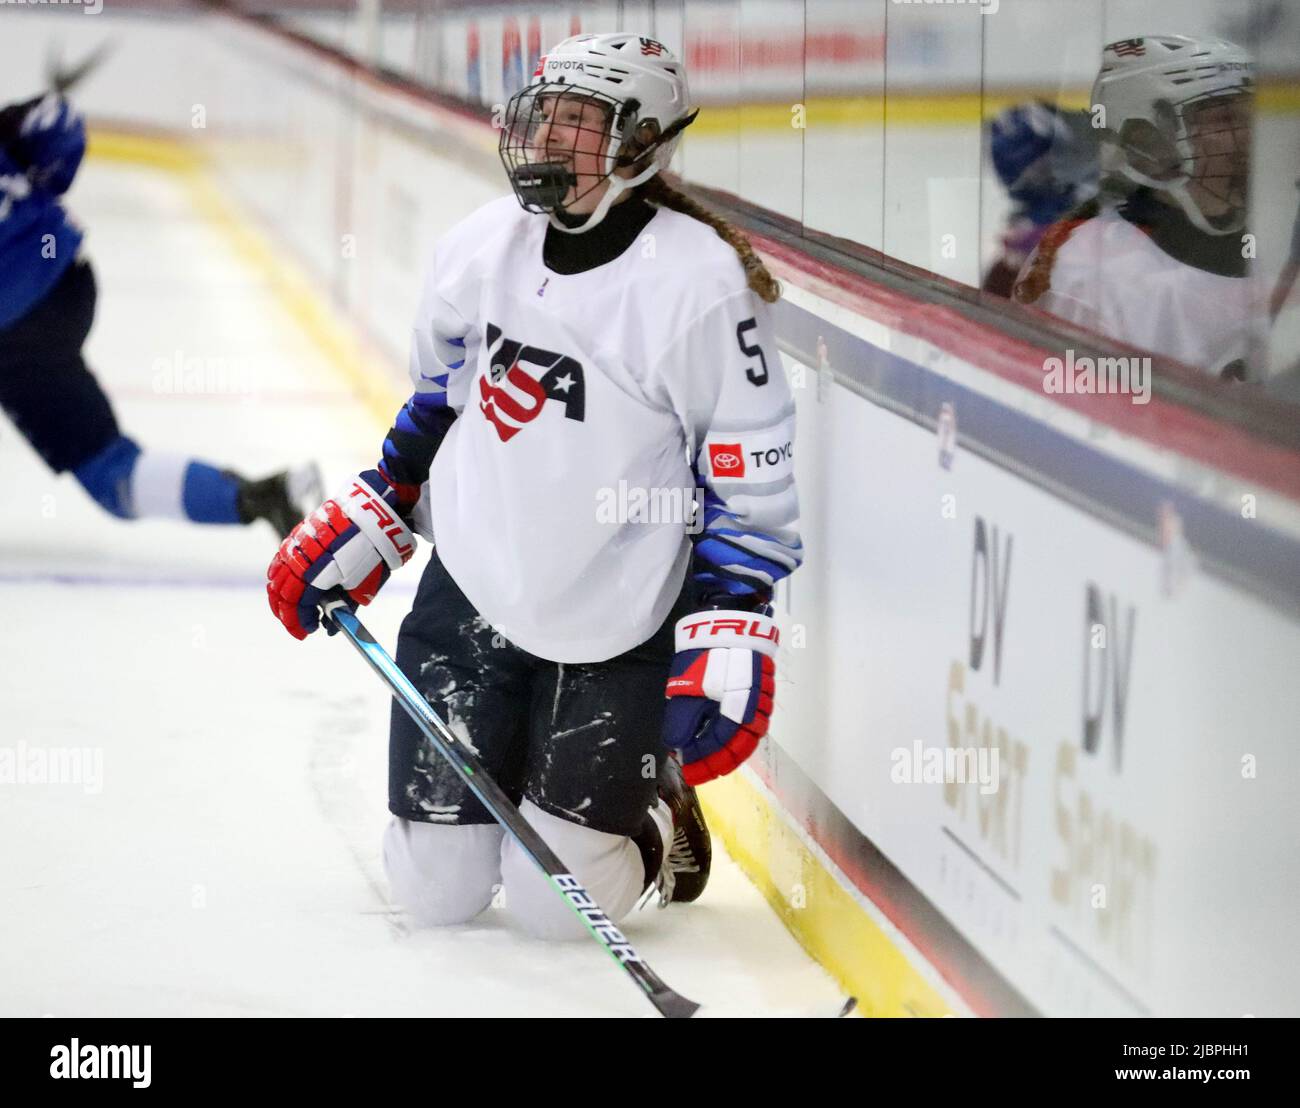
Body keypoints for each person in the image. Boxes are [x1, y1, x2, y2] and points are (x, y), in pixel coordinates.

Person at [266, 33, 803, 939]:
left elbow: (747, 474)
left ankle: (657, 811)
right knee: (437, 893)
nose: (551, 138)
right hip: (473, 589)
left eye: (583, 123)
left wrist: (733, 613)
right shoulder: (483, 245)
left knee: (560, 909)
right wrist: (384, 502)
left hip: (616, 621)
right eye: (546, 113)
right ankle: (523, 782)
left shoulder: (696, 285)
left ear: (641, 146)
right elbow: (440, 396)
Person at [0, 93, 317, 533]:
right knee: (113, 470)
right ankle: (254, 496)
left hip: (17, 327)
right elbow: (59, 139)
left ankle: (254, 497)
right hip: (67, 284)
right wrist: (33, 117)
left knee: (109, 474)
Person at [1014, 35, 1266, 381]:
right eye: (1222, 120)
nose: (1247, 137)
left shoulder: (1275, 249)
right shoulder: (1085, 271)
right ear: (1146, 140)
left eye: (1247, 116)